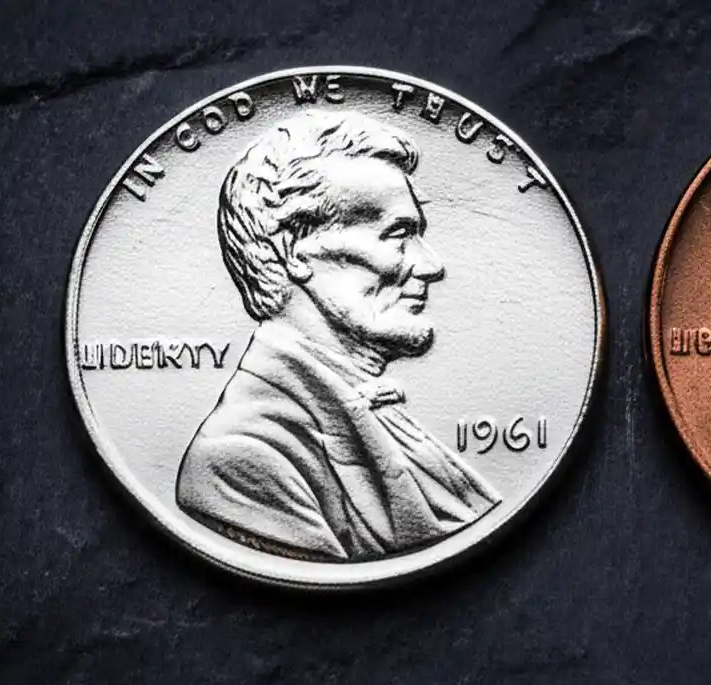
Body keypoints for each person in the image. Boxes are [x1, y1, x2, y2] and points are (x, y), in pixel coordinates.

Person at [177, 111, 500, 561]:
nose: (431, 265)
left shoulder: (370, 409)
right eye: (399, 234)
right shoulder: (239, 456)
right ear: (293, 250)